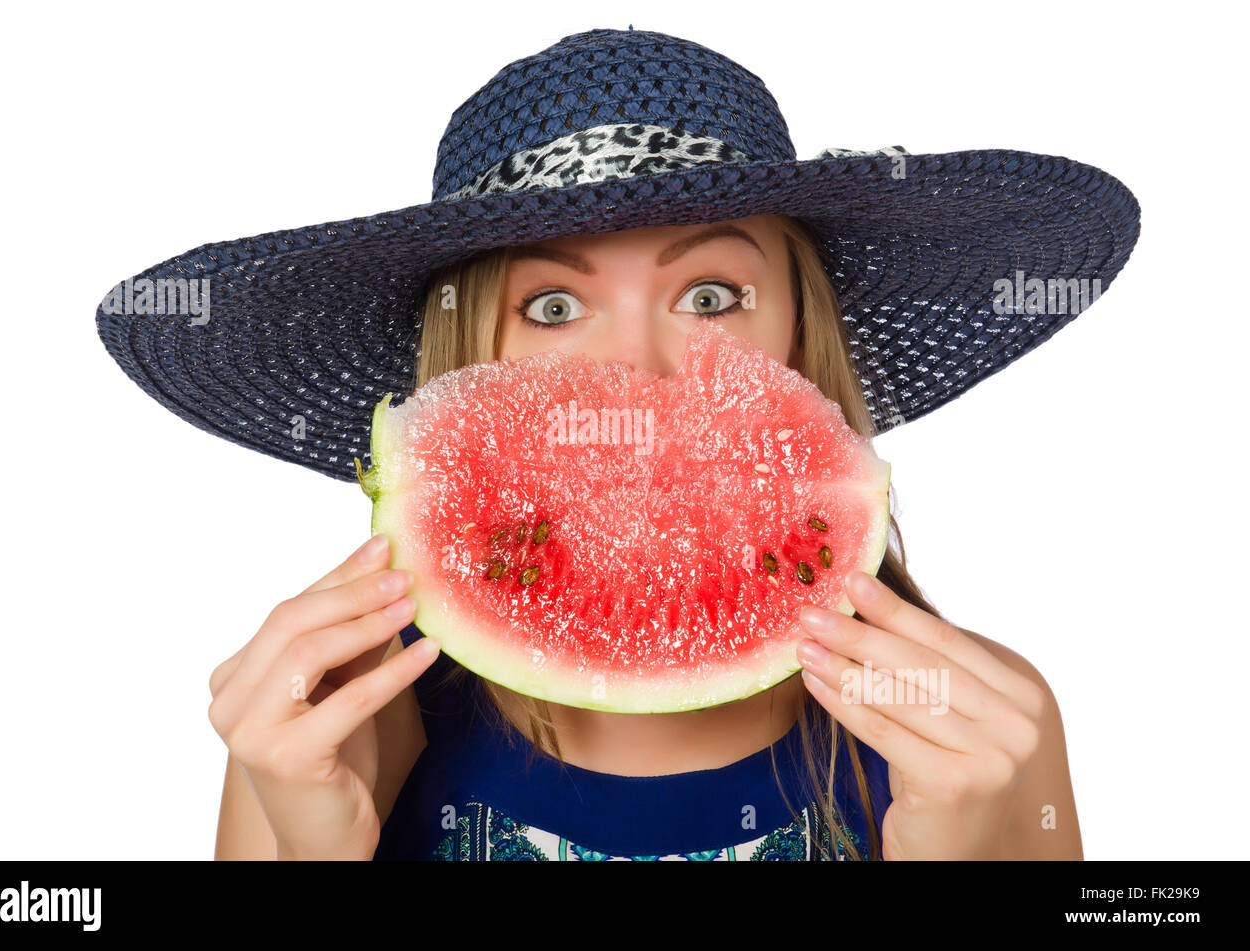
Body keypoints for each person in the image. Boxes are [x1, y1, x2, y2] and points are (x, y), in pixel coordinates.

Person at [95, 27, 1139, 860]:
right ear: (470, 358)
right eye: (552, 306)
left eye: (712, 294)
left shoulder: (987, 729)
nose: (637, 375)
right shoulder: (321, 725)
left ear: (798, 337)